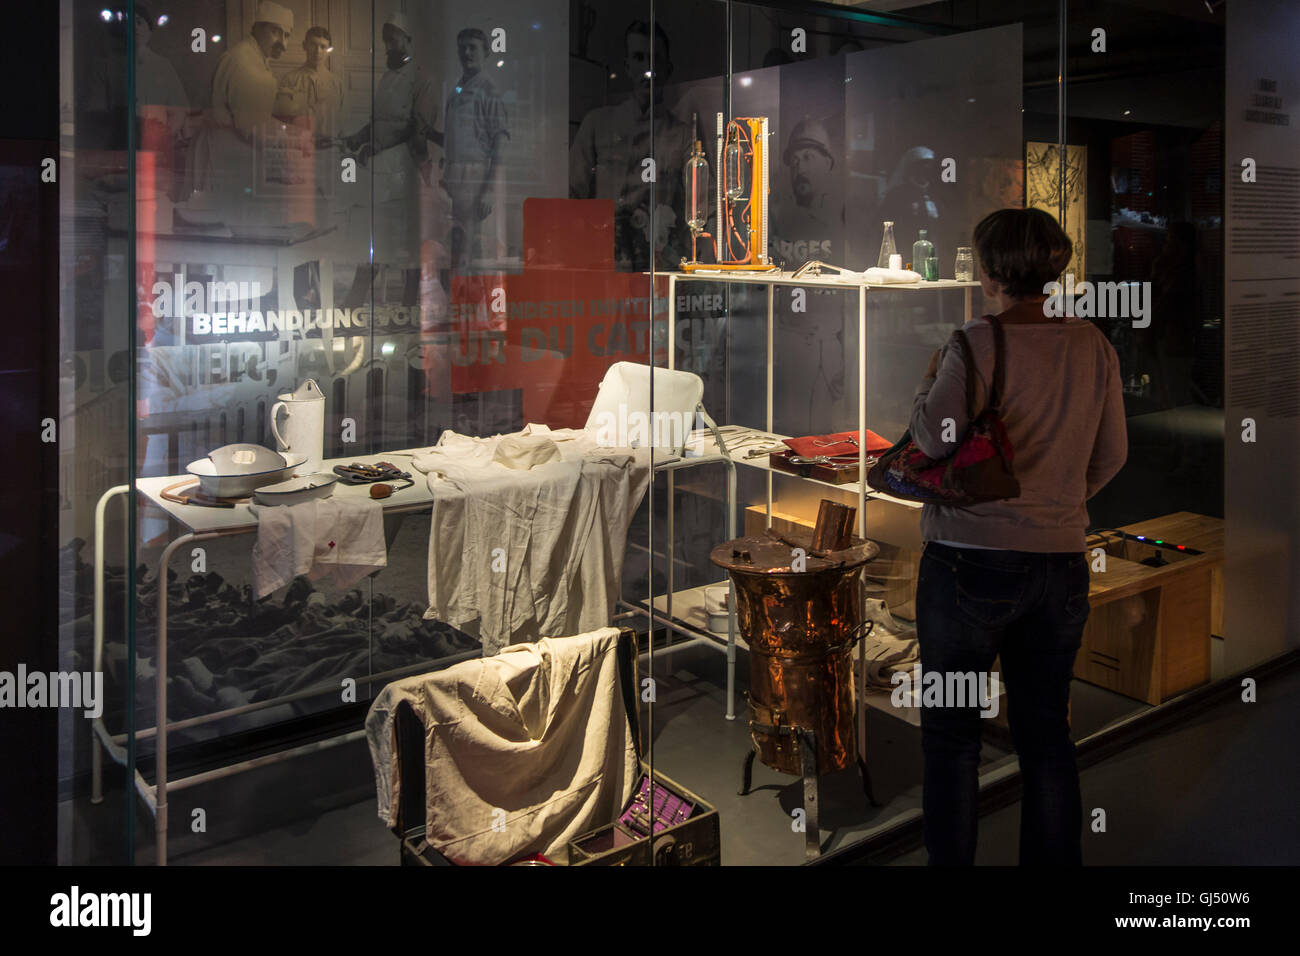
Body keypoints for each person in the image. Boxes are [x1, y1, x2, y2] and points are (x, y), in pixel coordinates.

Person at [908, 207, 1127, 865]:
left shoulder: (976, 341)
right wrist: (1055, 505)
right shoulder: (1093, 343)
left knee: (952, 738)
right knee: (1046, 737)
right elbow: (1112, 454)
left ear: (989, 269)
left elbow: (931, 438)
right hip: (1059, 563)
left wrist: (927, 384)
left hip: (966, 564)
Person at [569, 20, 691, 270]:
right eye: (639, 57)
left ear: (668, 68)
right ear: (627, 66)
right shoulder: (597, 124)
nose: (648, 67)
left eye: (655, 59)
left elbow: (701, 208)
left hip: (660, 266)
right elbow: (571, 195)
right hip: (603, 263)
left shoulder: (683, 136)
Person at [341, 10, 438, 306]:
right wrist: (359, 138)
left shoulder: (421, 79)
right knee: (378, 238)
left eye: (392, 40)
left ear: (408, 40)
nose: (387, 46)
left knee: (405, 244)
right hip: (383, 172)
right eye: (385, 41)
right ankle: (355, 304)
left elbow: (416, 128)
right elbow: (381, 122)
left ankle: (406, 309)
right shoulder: (387, 78)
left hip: (406, 170)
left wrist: (378, 147)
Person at [443, 27, 510, 271]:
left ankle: (476, 308)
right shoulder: (458, 88)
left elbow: (499, 144)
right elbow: (458, 138)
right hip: (454, 177)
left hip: (475, 178)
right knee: (458, 249)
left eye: (473, 47)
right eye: (463, 47)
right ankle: (460, 306)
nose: (467, 52)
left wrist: (489, 191)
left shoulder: (488, 88)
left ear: (486, 52)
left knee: (473, 252)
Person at [276, 26, 345, 139]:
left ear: (329, 50)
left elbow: (344, 123)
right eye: (313, 45)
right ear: (304, 46)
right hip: (299, 147)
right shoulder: (289, 80)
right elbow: (281, 120)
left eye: (323, 47)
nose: (317, 51)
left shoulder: (338, 84)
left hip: (330, 147)